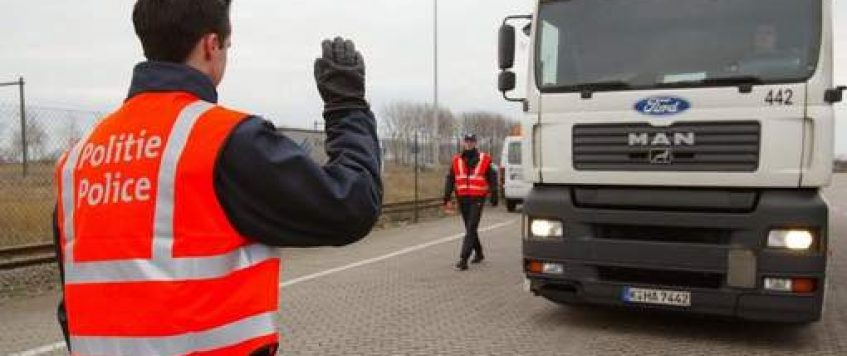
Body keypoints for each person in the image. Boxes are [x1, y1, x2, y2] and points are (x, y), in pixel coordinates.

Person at [51, 0, 382, 354]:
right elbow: (350, 204)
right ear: (212, 46)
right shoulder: (226, 141)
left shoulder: (77, 161)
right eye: (228, 45)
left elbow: (73, 303)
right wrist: (346, 106)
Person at [443, 134, 498, 271]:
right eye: (467, 141)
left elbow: (492, 177)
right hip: (463, 199)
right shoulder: (456, 160)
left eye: (471, 141)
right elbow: (450, 179)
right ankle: (479, 253)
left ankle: (463, 259)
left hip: (477, 199)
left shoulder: (484, 159)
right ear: (463, 143)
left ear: (475, 143)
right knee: (470, 228)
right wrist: (446, 197)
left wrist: (494, 194)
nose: (469, 143)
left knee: (471, 227)